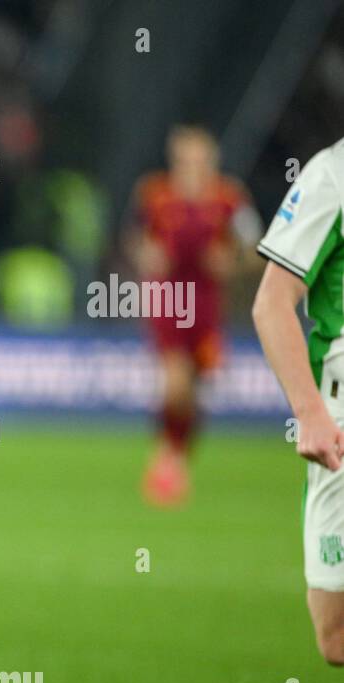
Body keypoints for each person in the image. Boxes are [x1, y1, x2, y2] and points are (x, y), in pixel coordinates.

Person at [127, 126, 261, 506]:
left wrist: (230, 262)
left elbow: (253, 248)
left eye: (200, 158)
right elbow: (137, 239)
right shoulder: (154, 193)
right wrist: (147, 256)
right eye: (185, 158)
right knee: (175, 383)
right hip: (168, 298)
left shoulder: (229, 198)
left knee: (195, 391)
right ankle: (167, 460)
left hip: (206, 303)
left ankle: (174, 458)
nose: (192, 165)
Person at [252, 136, 344, 666]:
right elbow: (271, 304)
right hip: (338, 416)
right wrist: (310, 413)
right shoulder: (332, 175)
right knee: (335, 637)